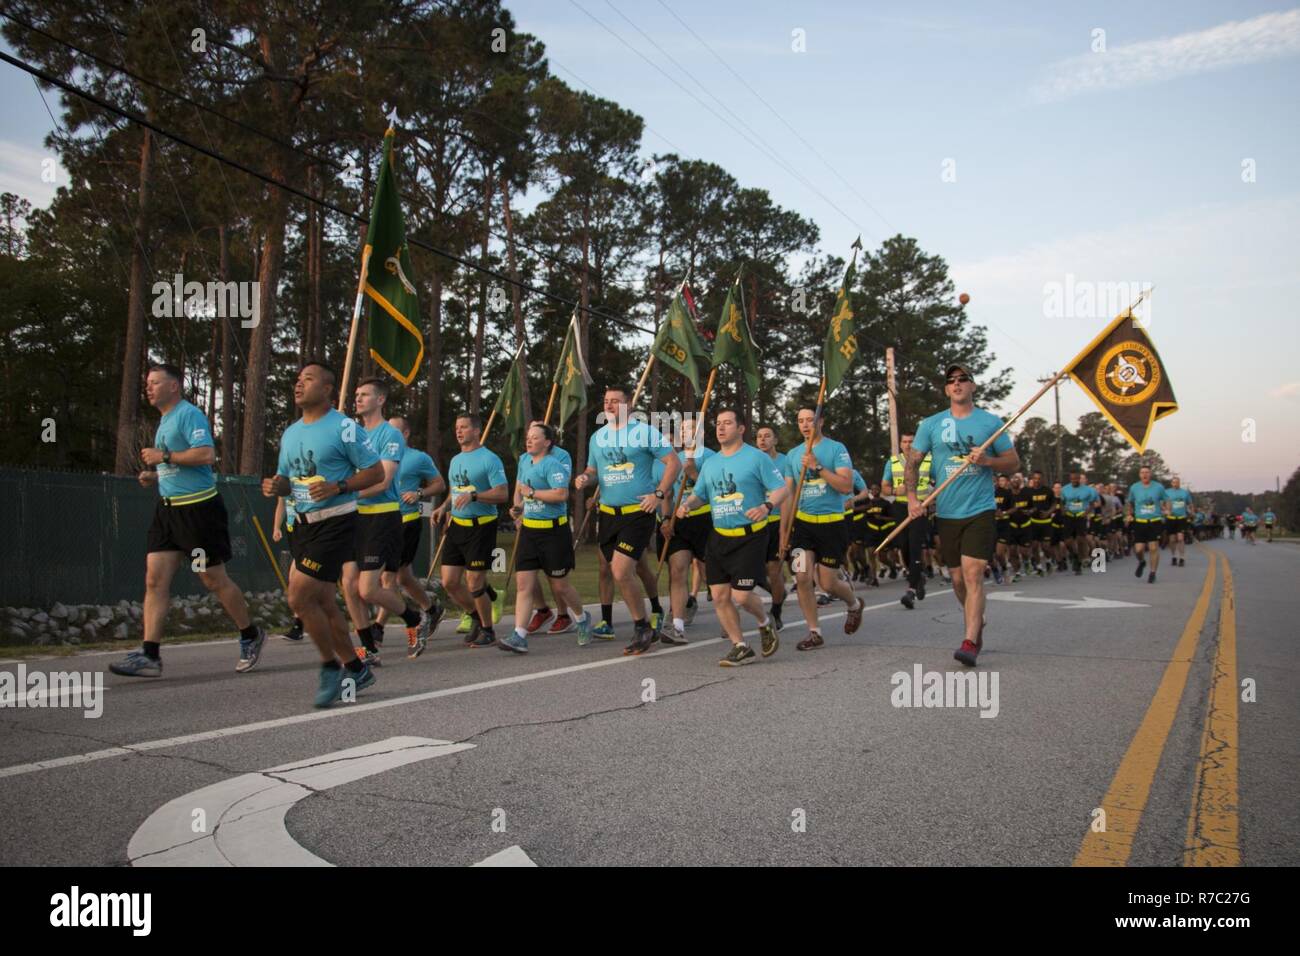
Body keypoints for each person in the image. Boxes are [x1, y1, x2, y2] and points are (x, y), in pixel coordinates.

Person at [110, 363, 266, 678]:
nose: (148, 387)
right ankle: (150, 655)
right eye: (147, 382)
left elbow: (206, 455)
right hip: (168, 512)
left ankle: (250, 634)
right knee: (154, 580)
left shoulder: (188, 414)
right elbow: (179, 464)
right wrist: (155, 474)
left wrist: (163, 458)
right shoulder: (165, 421)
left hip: (198, 512)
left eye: (155, 382)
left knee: (212, 579)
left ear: (174, 386)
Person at [261, 361, 384, 707]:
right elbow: (287, 480)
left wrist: (340, 485)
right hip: (302, 526)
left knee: (299, 599)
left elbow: (375, 473)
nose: (298, 385)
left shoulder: (344, 427)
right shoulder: (290, 432)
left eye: (308, 379)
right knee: (325, 604)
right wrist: (277, 486)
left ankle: (330, 667)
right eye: (297, 379)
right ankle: (356, 668)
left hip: (337, 523)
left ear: (328, 388)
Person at [907, 363, 1019, 667]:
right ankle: (976, 619)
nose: (956, 384)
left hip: (980, 509)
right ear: (946, 389)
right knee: (957, 579)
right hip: (946, 511)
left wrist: (987, 460)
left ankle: (970, 641)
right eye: (951, 381)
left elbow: (1013, 463)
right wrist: (912, 498)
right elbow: (913, 462)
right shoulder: (930, 424)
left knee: (972, 574)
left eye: (962, 379)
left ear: (972, 386)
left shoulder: (990, 422)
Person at [575, 385, 681, 656]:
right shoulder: (597, 437)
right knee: (622, 573)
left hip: (637, 513)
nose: (609, 406)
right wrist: (585, 478)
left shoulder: (644, 432)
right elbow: (593, 470)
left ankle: (642, 625)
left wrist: (658, 495)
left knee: (621, 571)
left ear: (629, 405)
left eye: (615, 402)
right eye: (606, 401)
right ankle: (644, 622)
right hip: (608, 516)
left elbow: (673, 463)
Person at [678, 409, 788, 666]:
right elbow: (701, 494)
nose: (721, 427)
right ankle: (740, 645)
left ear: (740, 429)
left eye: (728, 423)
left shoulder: (756, 458)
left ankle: (764, 621)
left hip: (750, 536)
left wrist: (766, 507)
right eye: (718, 423)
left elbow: (781, 489)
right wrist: (687, 505)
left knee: (740, 595)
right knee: (719, 596)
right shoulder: (712, 462)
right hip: (719, 537)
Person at [341, 379, 436, 667]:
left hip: (381, 516)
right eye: (356, 394)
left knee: (368, 589)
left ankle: (415, 617)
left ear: (380, 400)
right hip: (352, 517)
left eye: (365, 395)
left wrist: (343, 491)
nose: (358, 399)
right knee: (348, 584)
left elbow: (382, 482)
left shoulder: (390, 435)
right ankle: (369, 648)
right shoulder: (350, 434)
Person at [779, 407, 866, 650]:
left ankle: (854, 604)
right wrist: (783, 532)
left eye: (810, 420)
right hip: (803, 527)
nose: (805, 425)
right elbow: (788, 496)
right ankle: (814, 632)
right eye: (800, 421)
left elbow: (846, 485)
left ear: (821, 422)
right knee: (802, 577)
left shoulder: (836, 449)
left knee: (828, 583)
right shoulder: (792, 455)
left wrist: (817, 467)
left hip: (832, 524)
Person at [501, 423, 591, 653]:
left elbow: (561, 494)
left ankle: (581, 618)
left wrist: (533, 493)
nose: (529, 441)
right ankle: (519, 636)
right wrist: (518, 508)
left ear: (547, 442)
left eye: (534, 437)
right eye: (527, 437)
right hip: (529, 532)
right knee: (524, 586)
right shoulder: (525, 461)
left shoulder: (553, 464)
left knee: (560, 586)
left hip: (553, 532)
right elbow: (521, 490)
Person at [431, 413, 509, 647]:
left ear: (476, 430)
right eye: (457, 427)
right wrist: (444, 507)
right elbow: (456, 491)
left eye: (464, 427)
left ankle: (488, 630)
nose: (458, 431)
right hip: (457, 526)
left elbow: (502, 494)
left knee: (474, 582)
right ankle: (474, 615)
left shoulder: (489, 459)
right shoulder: (456, 460)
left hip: (481, 526)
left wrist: (475, 495)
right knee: (449, 582)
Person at [382, 416, 447, 657]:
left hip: (407, 521)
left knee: (388, 578)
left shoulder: (418, 458)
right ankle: (431, 609)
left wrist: (419, 492)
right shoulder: (380, 457)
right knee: (403, 578)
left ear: (406, 434)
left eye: (395, 431)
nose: (389, 434)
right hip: (383, 522)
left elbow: (439, 484)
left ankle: (376, 631)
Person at [659, 417, 714, 646]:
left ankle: (729, 616)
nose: (685, 431)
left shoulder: (711, 457)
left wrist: (692, 475)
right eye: (682, 429)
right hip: (679, 522)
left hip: (705, 520)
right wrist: (666, 518)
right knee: (678, 570)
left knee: (711, 575)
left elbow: (714, 491)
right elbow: (668, 492)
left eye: (690, 428)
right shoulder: (675, 458)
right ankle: (678, 626)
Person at [881, 433, 933, 610]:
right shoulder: (893, 462)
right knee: (903, 546)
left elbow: (940, 482)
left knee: (915, 546)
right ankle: (918, 577)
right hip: (901, 508)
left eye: (911, 441)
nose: (908, 445)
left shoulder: (927, 460)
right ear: (901, 444)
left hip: (919, 508)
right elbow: (884, 488)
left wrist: (929, 501)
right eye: (905, 441)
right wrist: (896, 491)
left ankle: (910, 590)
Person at [755, 425, 794, 627]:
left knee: (774, 569)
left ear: (775, 440)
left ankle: (776, 611)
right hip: (755, 522)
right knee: (755, 572)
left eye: (767, 436)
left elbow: (789, 495)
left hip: (777, 521)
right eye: (759, 436)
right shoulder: (751, 459)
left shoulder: (785, 462)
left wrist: (784, 528)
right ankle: (778, 592)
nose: (762, 440)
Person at [272, 494, 305, 641]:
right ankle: (299, 625)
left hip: (309, 531)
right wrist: (276, 527)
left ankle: (299, 626)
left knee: (298, 583)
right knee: (295, 584)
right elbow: (281, 503)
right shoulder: (285, 476)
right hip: (292, 531)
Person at [1126, 465, 1166, 584]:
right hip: (1140, 522)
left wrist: (1167, 509)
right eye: (1142, 472)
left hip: (1154, 521)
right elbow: (1130, 502)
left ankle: (1152, 573)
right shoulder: (1134, 487)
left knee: (1153, 547)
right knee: (1138, 549)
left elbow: (1166, 500)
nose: (1145, 474)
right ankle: (1142, 562)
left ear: (1150, 474)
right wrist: (1129, 514)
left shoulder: (1158, 487)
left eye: (1147, 472)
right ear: (1139, 475)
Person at [1059, 471, 1100, 574]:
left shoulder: (1088, 490)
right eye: (1072, 479)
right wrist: (1063, 510)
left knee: (1080, 539)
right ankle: (1074, 555)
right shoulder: (1064, 489)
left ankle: (1079, 562)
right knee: (1067, 541)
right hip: (1068, 516)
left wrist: (1087, 512)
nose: (1074, 481)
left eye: (1076, 479)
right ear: (1070, 479)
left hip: (1080, 517)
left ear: (1080, 479)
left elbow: (1092, 503)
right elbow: (1061, 502)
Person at [1026, 471, 1054, 575]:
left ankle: (1049, 560)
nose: (1037, 480)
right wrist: (1029, 511)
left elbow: (1054, 505)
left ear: (1042, 479)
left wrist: (1048, 512)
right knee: (1034, 546)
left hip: (1046, 522)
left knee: (1045, 546)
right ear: (1032, 479)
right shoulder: (1028, 492)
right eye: (1035, 478)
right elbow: (1026, 506)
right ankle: (1038, 566)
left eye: (1039, 478)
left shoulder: (1048, 491)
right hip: (1033, 522)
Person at [1162, 476, 1193, 566]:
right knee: (1172, 540)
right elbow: (1161, 504)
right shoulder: (1166, 492)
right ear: (1171, 483)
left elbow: (1190, 503)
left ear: (1179, 483)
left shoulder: (1185, 493)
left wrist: (1191, 511)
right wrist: (1165, 510)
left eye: (1177, 482)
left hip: (1181, 518)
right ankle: (1174, 556)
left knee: (1180, 538)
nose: (1176, 484)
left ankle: (1182, 558)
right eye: (1174, 482)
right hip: (1171, 519)